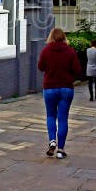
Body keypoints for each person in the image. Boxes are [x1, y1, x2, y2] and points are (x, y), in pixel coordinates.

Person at [37, 27, 81, 159]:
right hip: (66, 88)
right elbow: (77, 70)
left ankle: (52, 141)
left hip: (50, 88)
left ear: (51, 37)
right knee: (63, 118)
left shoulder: (46, 50)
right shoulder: (70, 51)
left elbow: (40, 67)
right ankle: (61, 150)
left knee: (51, 115)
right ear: (63, 37)